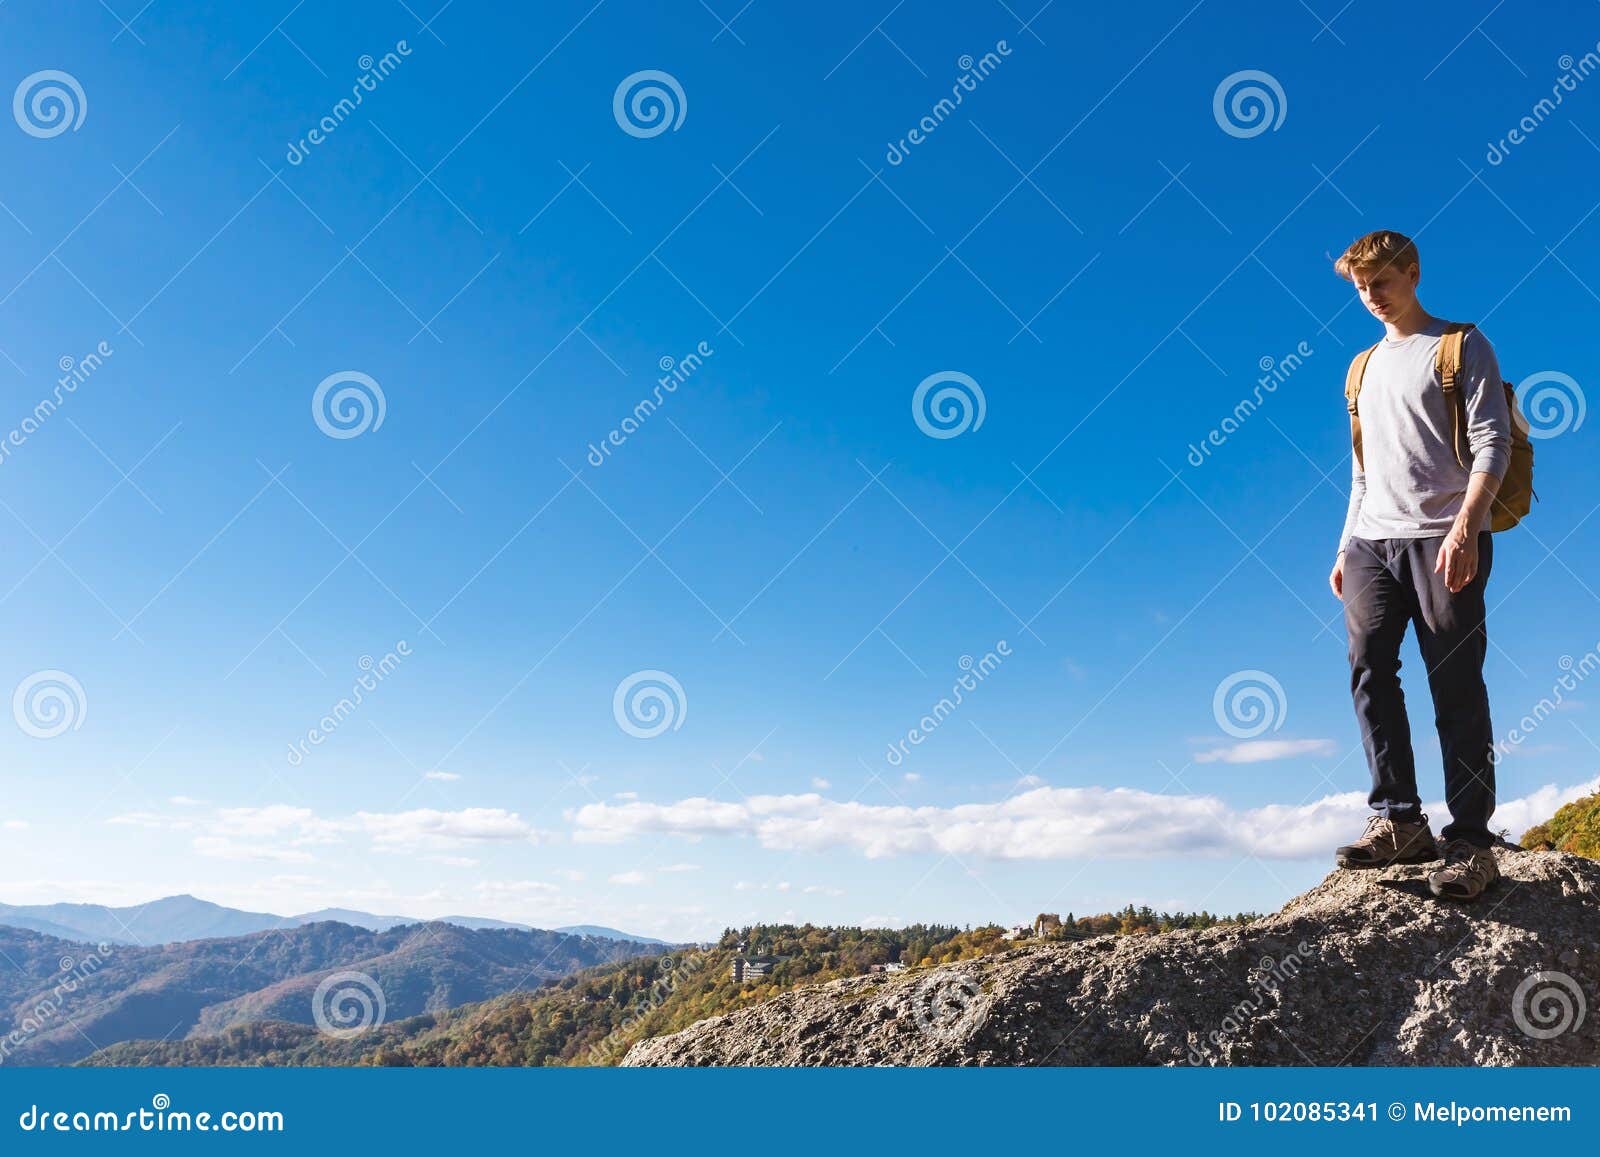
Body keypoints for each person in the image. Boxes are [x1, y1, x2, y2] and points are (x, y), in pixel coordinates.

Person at [1326, 230, 1512, 901]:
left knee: (1455, 684)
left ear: (1412, 273)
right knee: (1369, 669)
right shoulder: (1361, 368)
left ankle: (1471, 840)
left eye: (1381, 281)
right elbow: (1362, 470)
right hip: (1372, 542)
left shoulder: (1460, 345)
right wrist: (1344, 545)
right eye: (1361, 287)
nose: (1372, 296)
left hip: (1445, 538)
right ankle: (1400, 820)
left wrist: (1466, 527)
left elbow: (1493, 443)